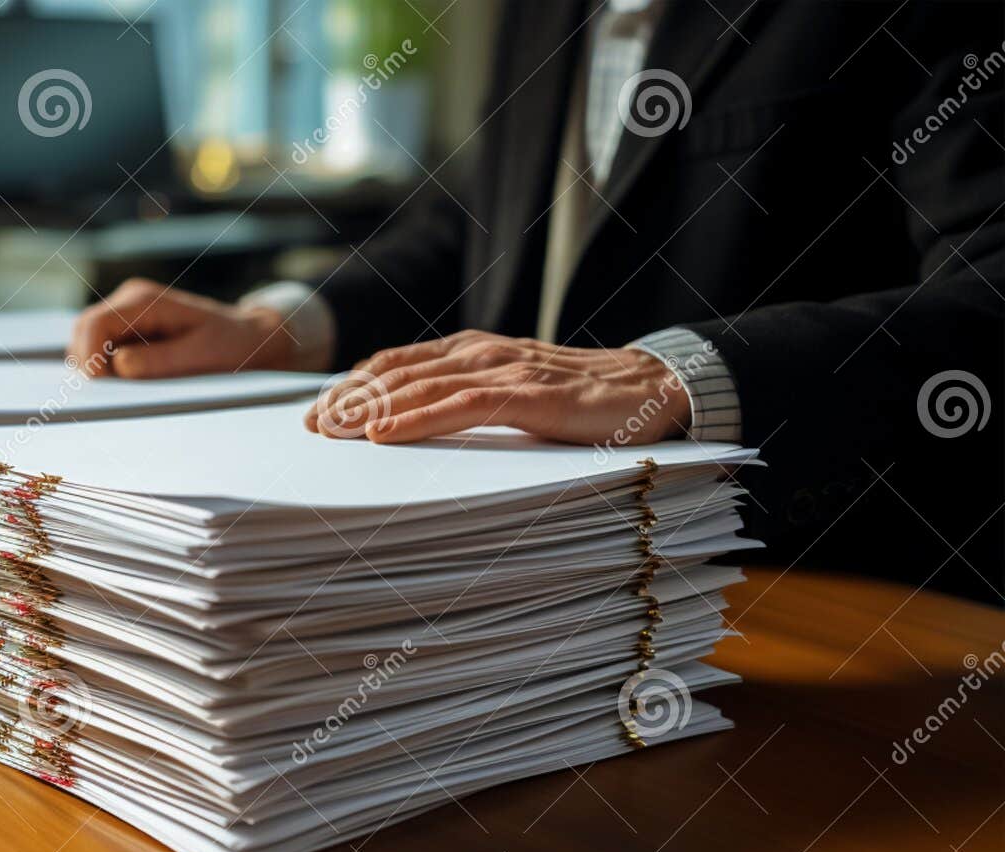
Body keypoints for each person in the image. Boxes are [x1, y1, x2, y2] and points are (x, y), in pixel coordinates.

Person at [68, 0, 1004, 602]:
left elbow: (991, 288)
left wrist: (666, 375)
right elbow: (477, 222)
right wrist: (275, 324)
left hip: (797, 591)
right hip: (518, 586)